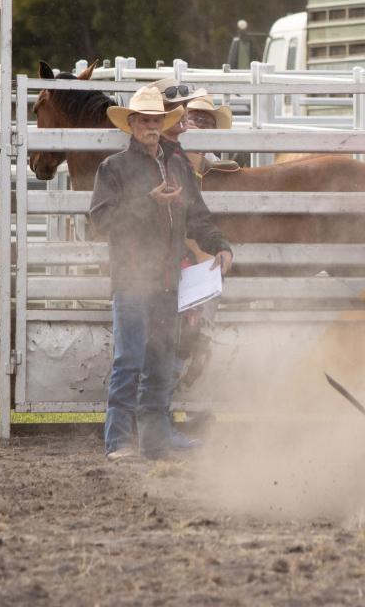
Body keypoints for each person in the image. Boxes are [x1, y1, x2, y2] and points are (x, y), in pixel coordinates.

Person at [89, 85, 233, 461]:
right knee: (130, 359)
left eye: (157, 120)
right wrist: (146, 202)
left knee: (160, 361)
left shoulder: (178, 166)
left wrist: (219, 245)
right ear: (132, 124)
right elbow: (100, 220)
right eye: (145, 121)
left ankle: (153, 440)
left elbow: (198, 217)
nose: (152, 127)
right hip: (133, 279)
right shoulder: (115, 168)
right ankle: (119, 440)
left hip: (167, 279)